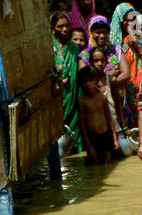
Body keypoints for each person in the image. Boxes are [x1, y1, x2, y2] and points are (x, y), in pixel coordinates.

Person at [51, 11, 84, 157]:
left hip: (72, 96)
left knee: (74, 135)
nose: (64, 29)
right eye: (60, 26)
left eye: (67, 26)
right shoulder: (47, 47)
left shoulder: (73, 47)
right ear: (53, 29)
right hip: (57, 98)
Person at [78, 65, 120, 165]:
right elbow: (82, 124)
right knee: (95, 164)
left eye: (90, 80)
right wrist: (89, 145)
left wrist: (115, 139)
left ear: (95, 80)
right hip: (92, 138)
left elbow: (109, 119)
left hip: (106, 136)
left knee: (108, 165)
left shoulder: (102, 98)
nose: (88, 84)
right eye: (84, 82)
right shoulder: (82, 100)